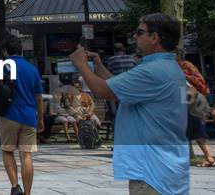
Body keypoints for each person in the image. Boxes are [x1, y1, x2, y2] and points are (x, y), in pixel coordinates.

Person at [70, 12, 188, 195]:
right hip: (168, 168)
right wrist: (99, 66)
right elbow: (120, 89)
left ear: (154, 37)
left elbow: (104, 91)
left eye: (140, 32)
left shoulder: (151, 71)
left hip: (152, 173)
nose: (134, 36)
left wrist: (81, 65)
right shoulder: (169, 68)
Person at [0, 32, 44, 195]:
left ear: (5, 51)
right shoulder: (32, 69)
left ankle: (15, 186)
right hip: (29, 116)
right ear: (21, 50)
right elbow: (39, 98)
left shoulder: (4, 66)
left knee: (7, 150)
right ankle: (28, 193)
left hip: (9, 115)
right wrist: (40, 118)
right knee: (26, 155)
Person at [176, 50, 215, 168]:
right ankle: (208, 158)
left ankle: (209, 158)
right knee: (190, 131)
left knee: (197, 131)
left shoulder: (185, 66)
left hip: (193, 100)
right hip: (188, 101)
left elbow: (199, 82)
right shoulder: (176, 67)